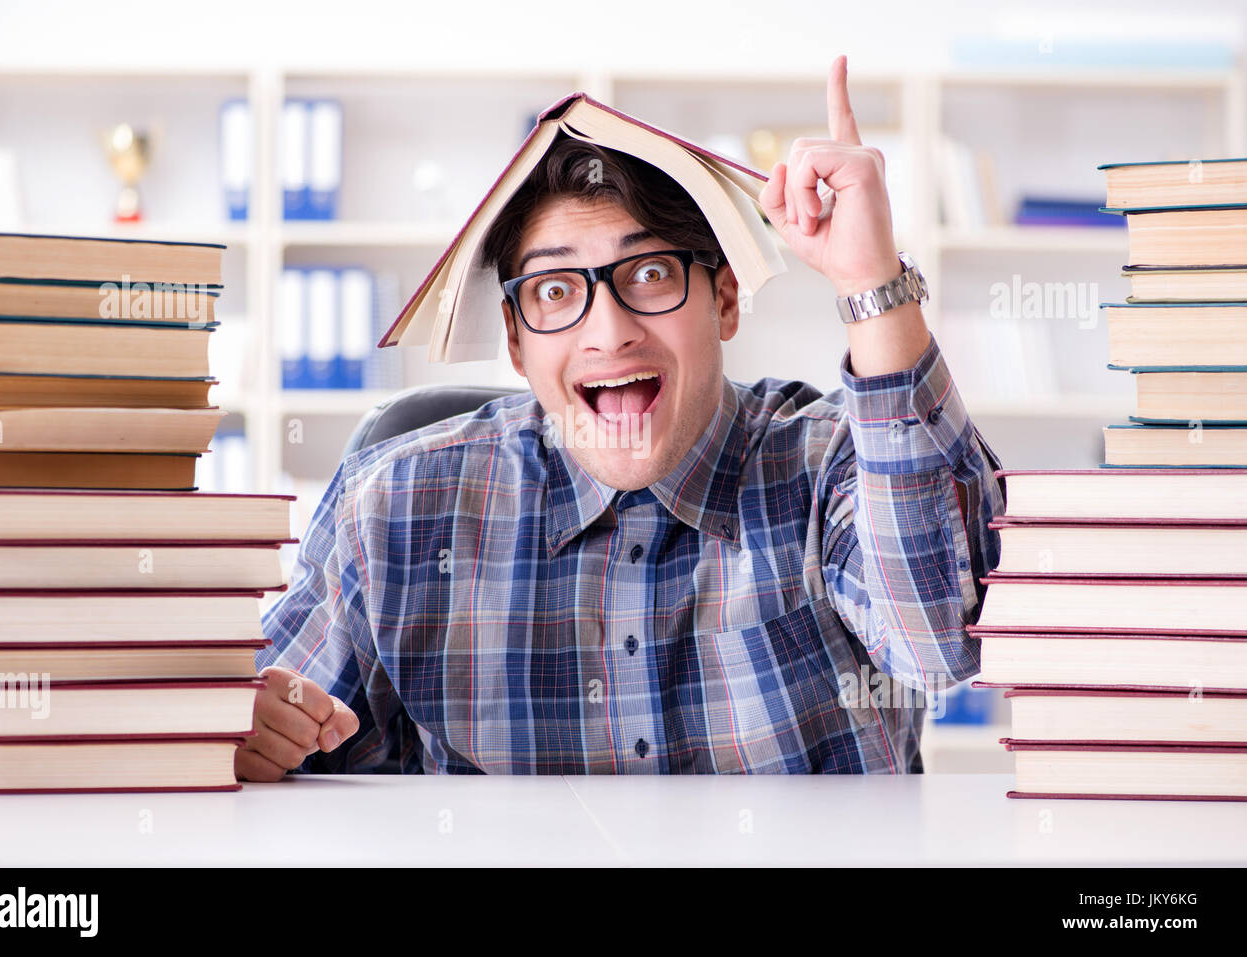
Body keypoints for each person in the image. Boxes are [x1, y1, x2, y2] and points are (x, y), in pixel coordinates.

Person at [238, 55, 1005, 779]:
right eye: (556, 291)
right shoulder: (395, 508)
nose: (609, 331)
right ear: (514, 339)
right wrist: (244, 733)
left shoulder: (836, 464)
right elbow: (278, 742)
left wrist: (872, 282)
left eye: (649, 272)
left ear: (726, 300)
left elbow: (938, 647)